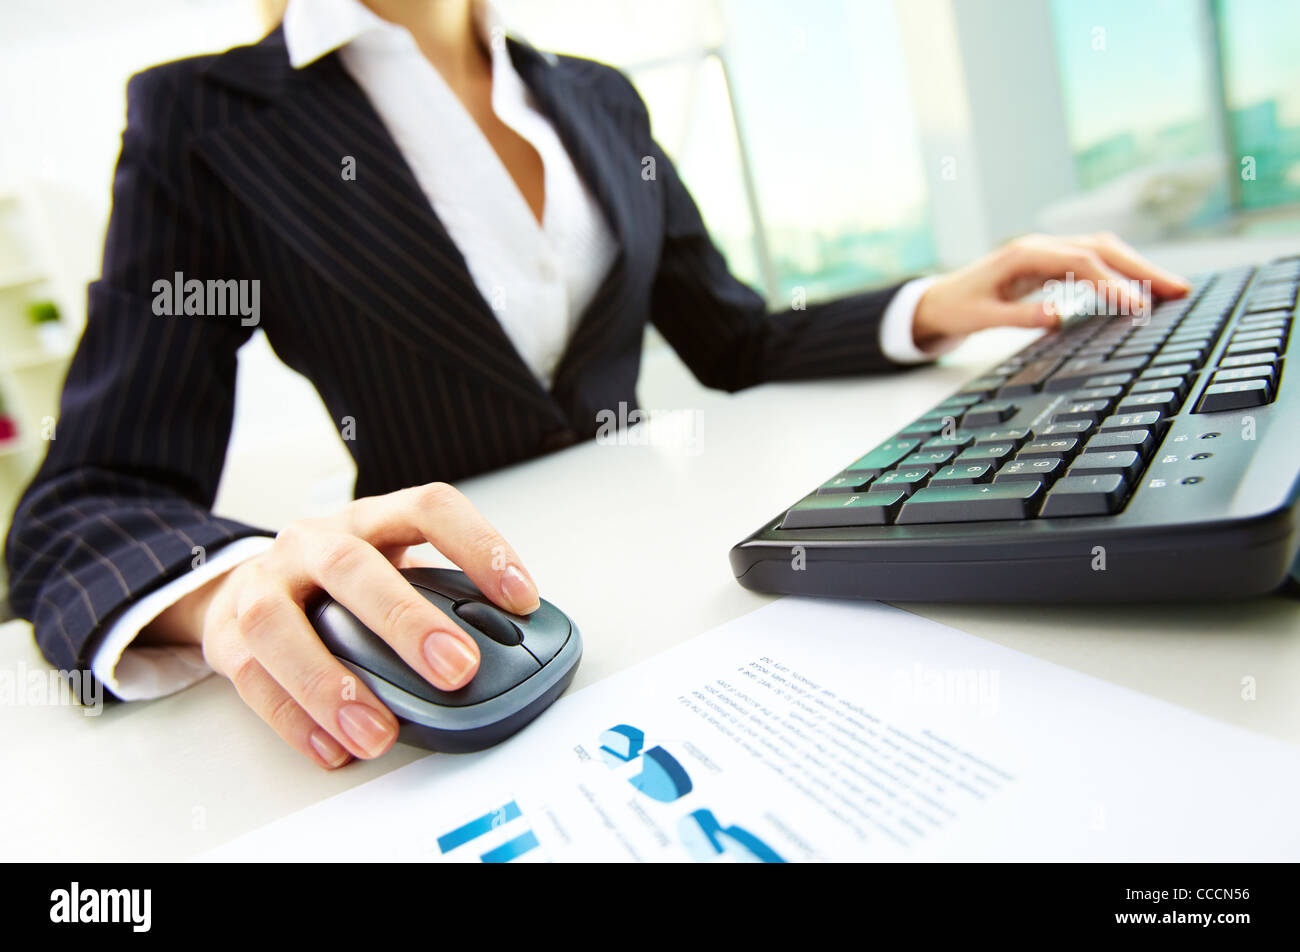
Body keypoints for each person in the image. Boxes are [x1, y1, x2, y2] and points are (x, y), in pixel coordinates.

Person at [3, 0, 1190, 769]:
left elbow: (733, 338)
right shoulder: (203, 115)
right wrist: (236, 590)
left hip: (695, 580)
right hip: (460, 614)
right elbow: (87, 495)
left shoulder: (598, 95)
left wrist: (931, 301)